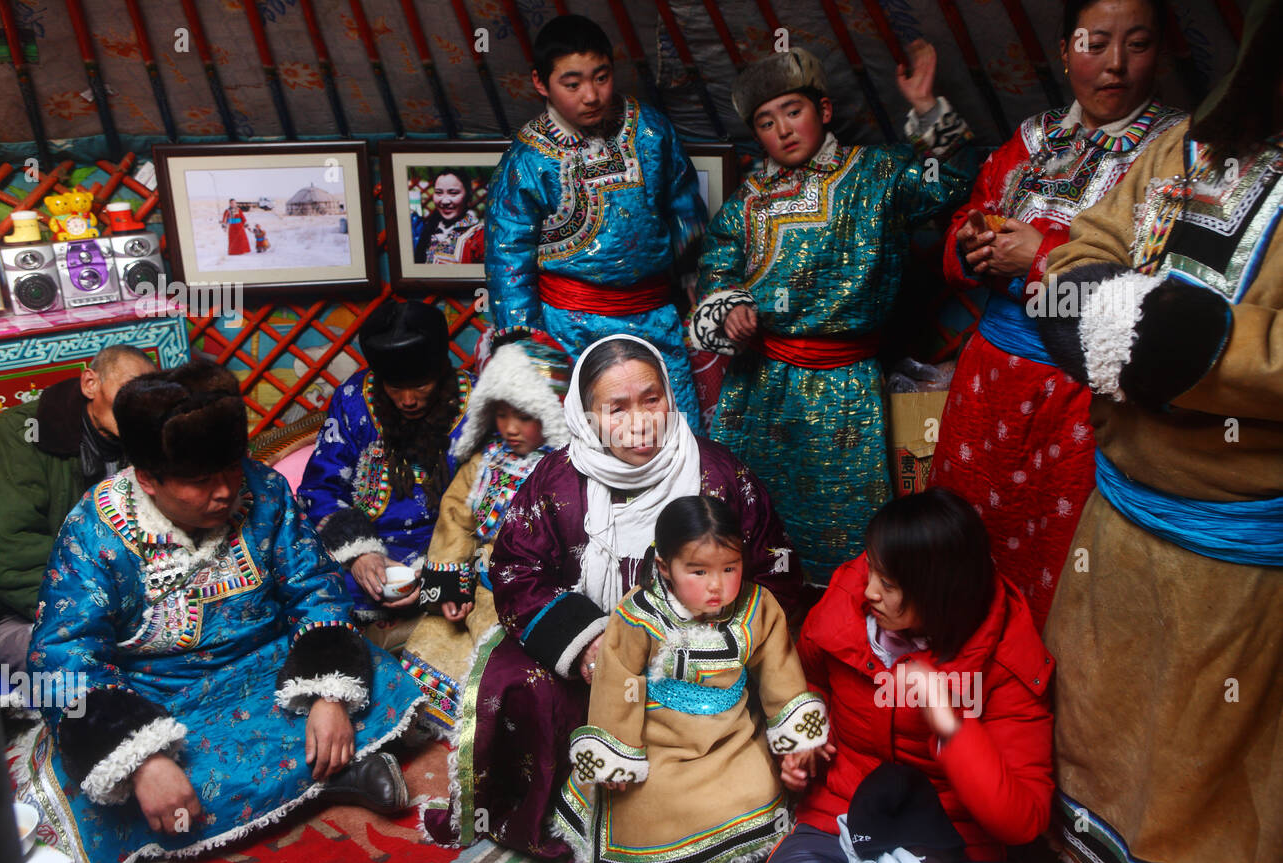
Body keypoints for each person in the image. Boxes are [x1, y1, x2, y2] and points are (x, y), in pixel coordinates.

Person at [1036, 0, 1283, 863]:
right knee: (1089, 742)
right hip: (1115, 532)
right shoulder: (1182, 150)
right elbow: (1076, 254)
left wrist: (1199, 344)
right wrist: (1093, 313)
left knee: (1199, 797)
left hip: (1239, 569)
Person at [24, 360, 423, 863]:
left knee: (383, 676)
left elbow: (316, 588)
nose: (225, 491)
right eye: (199, 480)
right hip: (162, 696)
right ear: (147, 478)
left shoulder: (267, 490)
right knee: (90, 791)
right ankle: (331, 772)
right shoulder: (93, 532)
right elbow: (62, 657)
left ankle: (325, 770)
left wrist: (327, 693)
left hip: (271, 672)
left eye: (232, 467)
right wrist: (144, 761)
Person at [421, 335, 803, 861]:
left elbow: (773, 570)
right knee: (516, 684)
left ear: (672, 398)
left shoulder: (718, 475)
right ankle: (548, 815)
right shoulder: (556, 478)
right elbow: (515, 568)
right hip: (593, 650)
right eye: (616, 408)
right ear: (586, 415)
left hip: (700, 648)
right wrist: (590, 643)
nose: (640, 421)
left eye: (651, 400)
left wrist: (710, 638)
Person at [927, 0, 1185, 629]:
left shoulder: (1180, 153)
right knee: (965, 555)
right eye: (1095, 44)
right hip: (985, 390)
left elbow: (1167, 298)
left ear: (1165, 52)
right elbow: (971, 213)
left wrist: (1037, 259)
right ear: (1065, 50)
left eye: (1138, 44)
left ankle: (1046, 708)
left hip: (1079, 398)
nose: (1115, 65)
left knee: (1065, 566)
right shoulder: (1035, 138)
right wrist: (972, 242)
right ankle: (969, 695)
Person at [689, 44, 977, 585]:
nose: (784, 130)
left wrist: (926, 109)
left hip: (846, 388)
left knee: (848, 534)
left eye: (793, 111)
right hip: (761, 389)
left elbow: (955, 184)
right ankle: (759, 635)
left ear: (822, 110)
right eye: (767, 122)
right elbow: (715, 276)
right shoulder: (745, 203)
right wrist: (729, 312)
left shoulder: (879, 174)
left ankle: (841, 637)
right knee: (744, 528)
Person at [769, 488, 1054, 863]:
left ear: (938, 594)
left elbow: (1023, 821)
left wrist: (951, 726)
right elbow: (813, 681)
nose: (868, 590)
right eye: (872, 568)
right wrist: (809, 740)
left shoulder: (1006, 659)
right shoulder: (846, 600)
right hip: (839, 814)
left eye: (887, 585)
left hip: (950, 836)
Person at [560, 495, 829, 863]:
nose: (716, 585)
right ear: (665, 566)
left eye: (730, 568)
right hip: (660, 742)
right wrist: (616, 756)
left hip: (732, 737)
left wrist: (798, 742)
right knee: (650, 806)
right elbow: (617, 683)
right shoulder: (638, 614)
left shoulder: (758, 606)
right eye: (699, 572)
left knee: (759, 788)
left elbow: (780, 675)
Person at [485, 14, 708, 429]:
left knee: (673, 437)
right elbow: (507, 255)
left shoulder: (652, 130)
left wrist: (694, 274)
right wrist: (526, 344)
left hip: (656, 319)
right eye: (572, 84)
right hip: (569, 332)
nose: (591, 95)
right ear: (540, 83)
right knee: (585, 447)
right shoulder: (527, 159)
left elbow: (683, 202)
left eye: (601, 77)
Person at [398, 327, 572, 736]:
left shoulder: (565, 472)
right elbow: (455, 518)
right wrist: (450, 590)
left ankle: (490, 733)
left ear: (552, 412)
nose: (510, 428)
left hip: (528, 595)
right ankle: (425, 721)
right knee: (430, 643)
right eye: (502, 413)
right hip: (477, 587)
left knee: (503, 672)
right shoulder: (484, 461)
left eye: (524, 416)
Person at [297, 298, 472, 642]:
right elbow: (320, 489)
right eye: (395, 388)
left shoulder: (478, 404)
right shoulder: (353, 398)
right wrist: (361, 554)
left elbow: (497, 500)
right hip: (364, 552)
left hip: (449, 551)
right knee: (309, 589)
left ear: (440, 370)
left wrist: (441, 569)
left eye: (421, 386)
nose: (408, 400)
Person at [0, 345, 155, 673]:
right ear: (90, 383)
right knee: (83, 662)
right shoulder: (18, 435)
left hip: (129, 600)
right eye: (128, 392)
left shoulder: (145, 441)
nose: (138, 408)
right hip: (24, 612)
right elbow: (6, 554)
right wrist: (99, 610)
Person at [413, 168, 485, 265]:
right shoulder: (429, 229)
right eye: (438, 192)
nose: (445, 201)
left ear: (468, 196)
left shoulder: (479, 235)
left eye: (453, 193)